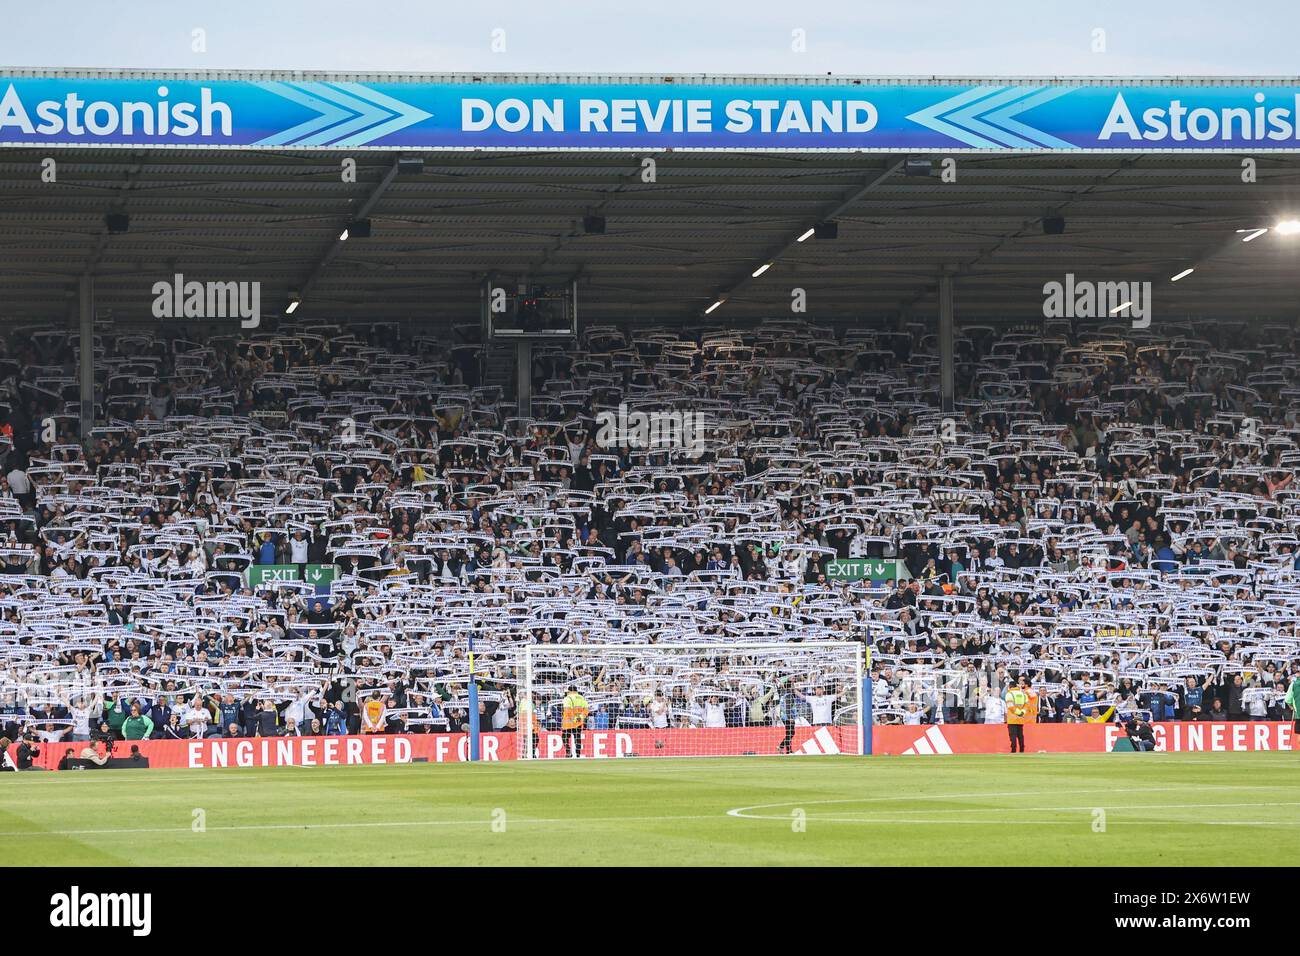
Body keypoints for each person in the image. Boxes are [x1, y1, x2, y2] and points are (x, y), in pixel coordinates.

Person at [1004, 676, 1037, 754]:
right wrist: (1022, 712)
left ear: (1009, 687)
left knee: (1013, 736)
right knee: (1020, 736)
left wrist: (1018, 712)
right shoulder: (1022, 693)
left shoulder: (1010, 694)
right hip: (1021, 718)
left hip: (1012, 719)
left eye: (1022, 683)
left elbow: (1010, 706)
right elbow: (1027, 704)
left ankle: (1013, 750)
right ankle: (1022, 749)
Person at [560, 685, 589, 758]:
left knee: (565, 737)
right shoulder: (582, 698)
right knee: (577, 737)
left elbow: (567, 710)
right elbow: (586, 710)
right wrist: (579, 718)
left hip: (568, 722)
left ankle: (568, 751)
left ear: (569, 691)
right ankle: (578, 754)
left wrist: (573, 718)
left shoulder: (568, 698)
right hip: (578, 722)